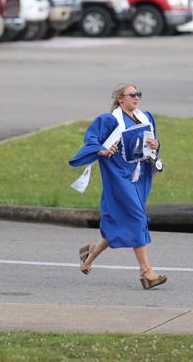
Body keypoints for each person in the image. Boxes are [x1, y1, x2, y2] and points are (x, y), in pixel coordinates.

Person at [69, 83, 167, 290]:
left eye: (138, 94)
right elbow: (91, 140)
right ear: (120, 98)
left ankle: (89, 255)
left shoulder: (145, 117)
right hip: (118, 177)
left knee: (124, 221)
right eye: (132, 94)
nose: (136, 97)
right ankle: (146, 272)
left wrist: (156, 144)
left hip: (139, 177)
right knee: (137, 217)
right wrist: (102, 151)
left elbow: (152, 143)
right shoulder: (109, 120)